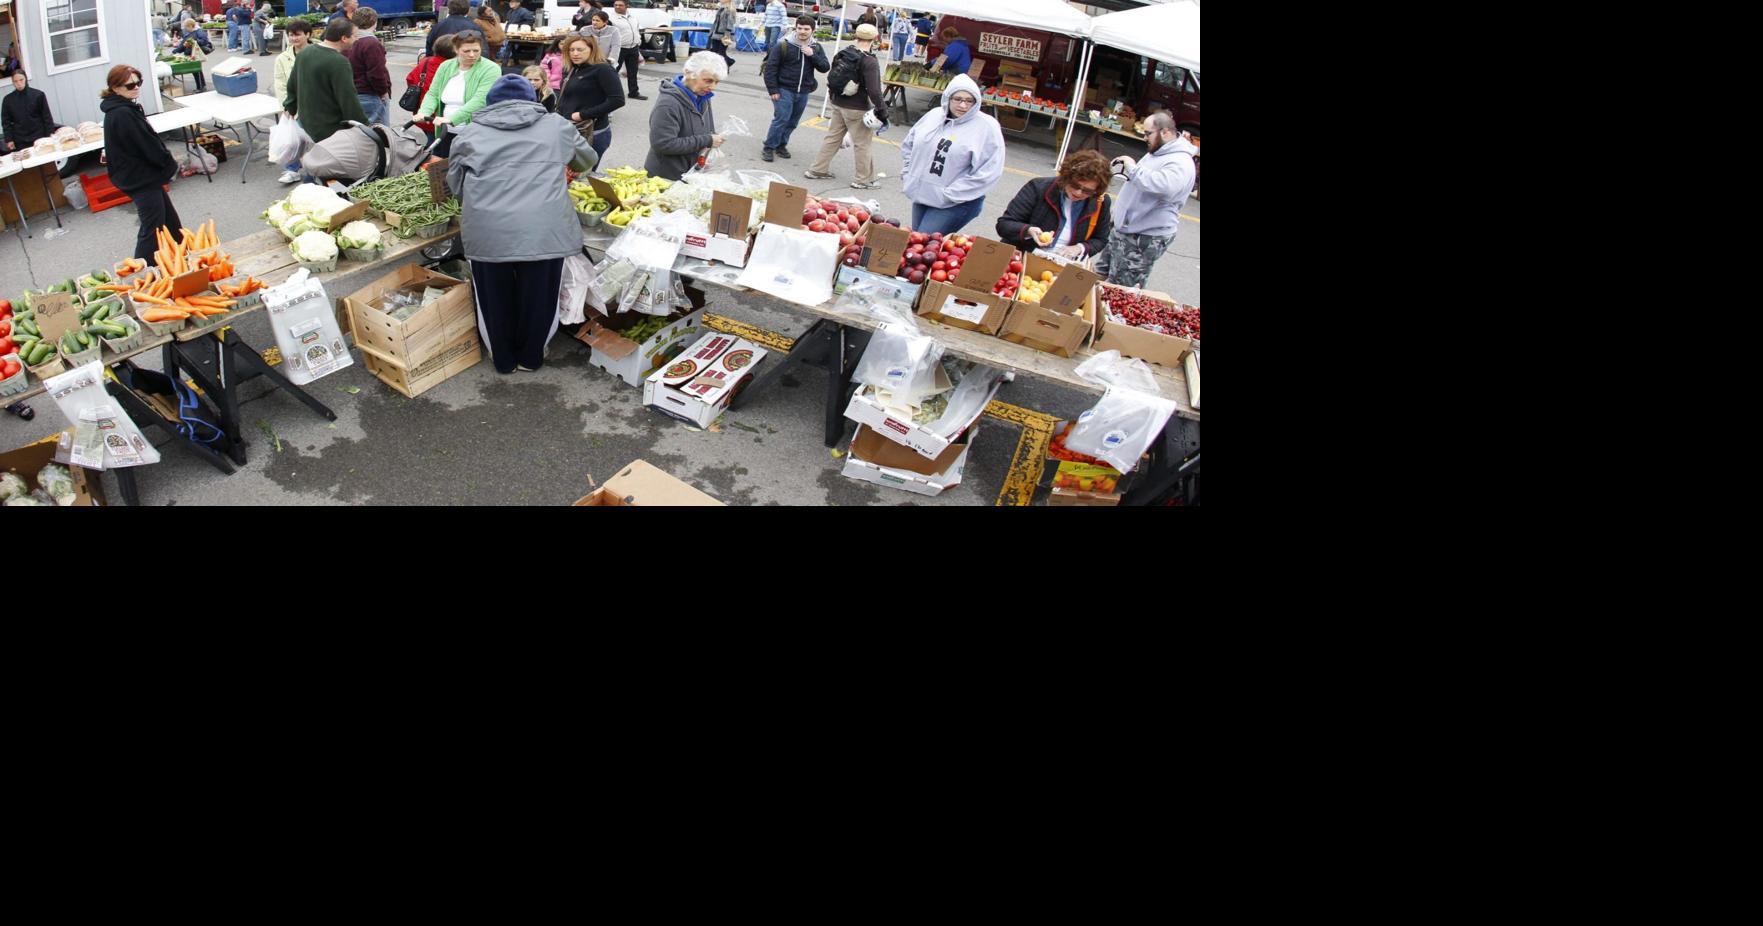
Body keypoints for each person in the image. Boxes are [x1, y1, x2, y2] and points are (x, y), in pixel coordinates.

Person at [446, 74, 597, 375]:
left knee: (493, 298)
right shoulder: (558, 127)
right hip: (546, 230)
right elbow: (587, 160)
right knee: (540, 296)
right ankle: (531, 357)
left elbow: (455, 185)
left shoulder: (468, 133)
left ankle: (503, 360)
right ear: (533, 99)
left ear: (490, 102)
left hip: (488, 231)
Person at [1097, 112, 1197, 289]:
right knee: (1098, 275)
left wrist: (1132, 168)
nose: (1144, 137)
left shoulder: (1180, 161)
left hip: (1143, 236)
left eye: (1148, 133)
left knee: (1121, 290)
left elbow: (1164, 187)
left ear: (1165, 132)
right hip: (1125, 230)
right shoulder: (1159, 152)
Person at [898, 74, 1004, 233]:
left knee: (924, 241)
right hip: (922, 194)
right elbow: (909, 145)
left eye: (969, 101)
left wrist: (949, 194)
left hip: (955, 202)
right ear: (948, 97)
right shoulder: (934, 115)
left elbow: (989, 171)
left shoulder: (986, 127)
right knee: (917, 241)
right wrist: (909, 174)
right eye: (958, 99)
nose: (963, 105)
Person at [101, 66, 182, 264]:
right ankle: (142, 271)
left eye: (139, 82)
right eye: (130, 85)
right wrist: (168, 164)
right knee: (152, 228)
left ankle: (183, 255)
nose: (136, 87)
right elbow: (147, 145)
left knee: (170, 222)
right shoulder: (122, 113)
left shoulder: (123, 108)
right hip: (139, 178)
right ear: (116, 88)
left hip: (143, 175)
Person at [804, 23, 887, 190]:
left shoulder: (844, 53)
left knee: (832, 137)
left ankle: (817, 170)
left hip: (838, 102)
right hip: (857, 107)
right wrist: (882, 109)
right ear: (875, 38)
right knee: (862, 143)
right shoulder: (869, 60)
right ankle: (862, 179)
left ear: (856, 36)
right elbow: (874, 90)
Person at [995, 150, 1113, 260]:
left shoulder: (1101, 202)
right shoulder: (1038, 187)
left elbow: (1100, 239)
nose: (1078, 192)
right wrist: (1028, 230)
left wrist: (1079, 248)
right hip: (1023, 256)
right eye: (1075, 185)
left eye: (1087, 191)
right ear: (1066, 177)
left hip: (1062, 263)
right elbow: (1004, 224)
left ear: (1097, 190)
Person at [415, 30, 503, 156]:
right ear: (456, 50)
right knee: (442, 167)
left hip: (473, 132)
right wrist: (424, 112)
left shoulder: (491, 69)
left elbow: (480, 100)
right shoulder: (446, 66)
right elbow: (433, 94)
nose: (472, 55)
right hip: (445, 130)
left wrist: (452, 119)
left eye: (476, 50)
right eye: (466, 51)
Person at [284, 17, 367, 145]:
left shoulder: (305, 52)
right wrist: (362, 126)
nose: (356, 39)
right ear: (344, 38)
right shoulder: (338, 61)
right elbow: (347, 98)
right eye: (354, 36)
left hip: (306, 123)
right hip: (330, 129)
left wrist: (290, 107)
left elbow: (292, 84)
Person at [646, 50, 725, 182]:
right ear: (688, 73)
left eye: (717, 82)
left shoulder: (703, 96)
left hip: (690, 173)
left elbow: (707, 129)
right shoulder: (668, 104)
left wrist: (710, 146)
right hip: (665, 178)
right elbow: (663, 144)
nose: (713, 87)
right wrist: (707, 140)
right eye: (708, 81)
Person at [760, 16, 826, 163]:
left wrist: (812, 55)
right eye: (799, 28)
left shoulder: (816, 47)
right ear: (795, 28)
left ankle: (781, 145)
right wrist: (773, 90)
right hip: (784, 89)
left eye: (806, 29)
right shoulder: (783, 45)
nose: (802, 31)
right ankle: (769, 147)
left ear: (812, 31)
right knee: (781, 119)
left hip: (803, 91)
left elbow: (825, 67)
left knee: (793, 122)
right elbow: (771, 69)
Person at [556, 34, 622, 159]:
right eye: (571, 50)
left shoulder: (603, 69)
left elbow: (617, 100)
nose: (575, 53)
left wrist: (583, 115)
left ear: (592, 50)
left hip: (592, 132)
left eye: (580, 50)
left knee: (582, 176)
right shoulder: (573, 68)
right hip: (569, 130)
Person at [273, 18, 313, 184]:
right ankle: (292, 170)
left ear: (308, 34)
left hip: (315, 104)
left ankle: (315, 172)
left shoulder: (317, 52)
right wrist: (286, 105)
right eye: (291, 35)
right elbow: (280, 83)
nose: (294, 38)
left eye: (298, 35)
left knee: (315, 140)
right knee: (294, 140)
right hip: (295, 104)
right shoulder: (283, 58)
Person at [347, 7, 392, 126]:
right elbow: (376, 73)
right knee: (379, 134)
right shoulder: (371, 43)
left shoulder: (350, 40)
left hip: (354, 93)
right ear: (373, 21)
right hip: (370, 95)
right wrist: (383, 92)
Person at [407, 34, 455, 136]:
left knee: (430, 139)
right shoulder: (453, 68)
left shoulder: (425, 61)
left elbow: (410, 79)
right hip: (442, 117)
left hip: (422, 113)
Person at [3, 72, 62, 153]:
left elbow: (47, 117)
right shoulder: (8, 100)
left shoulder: (38, 95)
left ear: (26, 79)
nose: (19, 83)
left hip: (40, 137)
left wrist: (50, 135)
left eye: (21, 80)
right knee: (28, 164)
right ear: (12, 82)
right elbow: (6, 122)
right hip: (20, 140)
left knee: (47, 164)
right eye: (15, 81)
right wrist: (9, 139)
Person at [610, 1, 646, 100]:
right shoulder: (611, 19)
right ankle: (609, 93)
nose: (617, 7)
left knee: (633, 72)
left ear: (627, 6)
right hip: (619, 48)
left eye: (620, 5)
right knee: (613, 72)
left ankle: (633, 93)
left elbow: (637, 30)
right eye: (615, 5)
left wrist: (638, 41)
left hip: (633, 48)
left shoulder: (632, 17)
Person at [501, 0, 536, 65]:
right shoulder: (510, 11)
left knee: (510, 46)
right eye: (510, 2)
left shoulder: (524, 11)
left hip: (519, 35)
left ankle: (507, 62)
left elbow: (531, 20)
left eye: (513, 2)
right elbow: (508, 22)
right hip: (510, 34)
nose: (511, 3)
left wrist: (519, 26)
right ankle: (512, 61)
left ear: (518, 3)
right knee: (509, 46)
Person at [710, 0, 737, 70]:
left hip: (724, 34)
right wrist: (712, 31)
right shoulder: (721, 8)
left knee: (721, 53)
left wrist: (727, 35)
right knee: (715, 51)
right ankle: (729, 61)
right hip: (716, 33)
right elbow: (716, 22)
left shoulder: (730, 10)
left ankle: (726, 66)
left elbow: (730, 23)